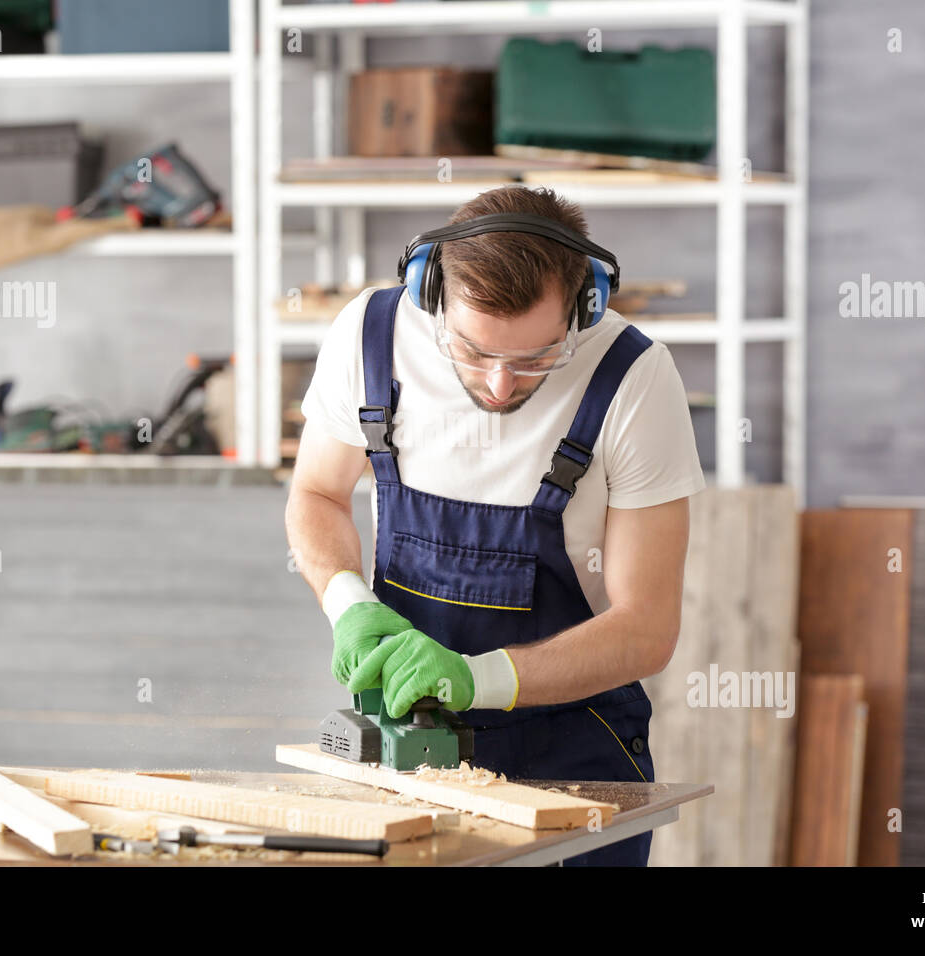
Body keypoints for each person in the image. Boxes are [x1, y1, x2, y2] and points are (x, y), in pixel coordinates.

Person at [285, 185, 704, 866]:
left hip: (572, 756)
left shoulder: (633, 377)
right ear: (432, 294)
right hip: (405, 751)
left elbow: (647, 629)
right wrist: (346, 601)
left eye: (537, 357)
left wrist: (474, 680)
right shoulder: (371, 337)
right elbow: (316, 493)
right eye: (474, 352)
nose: (502, 385)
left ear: (583, 304)